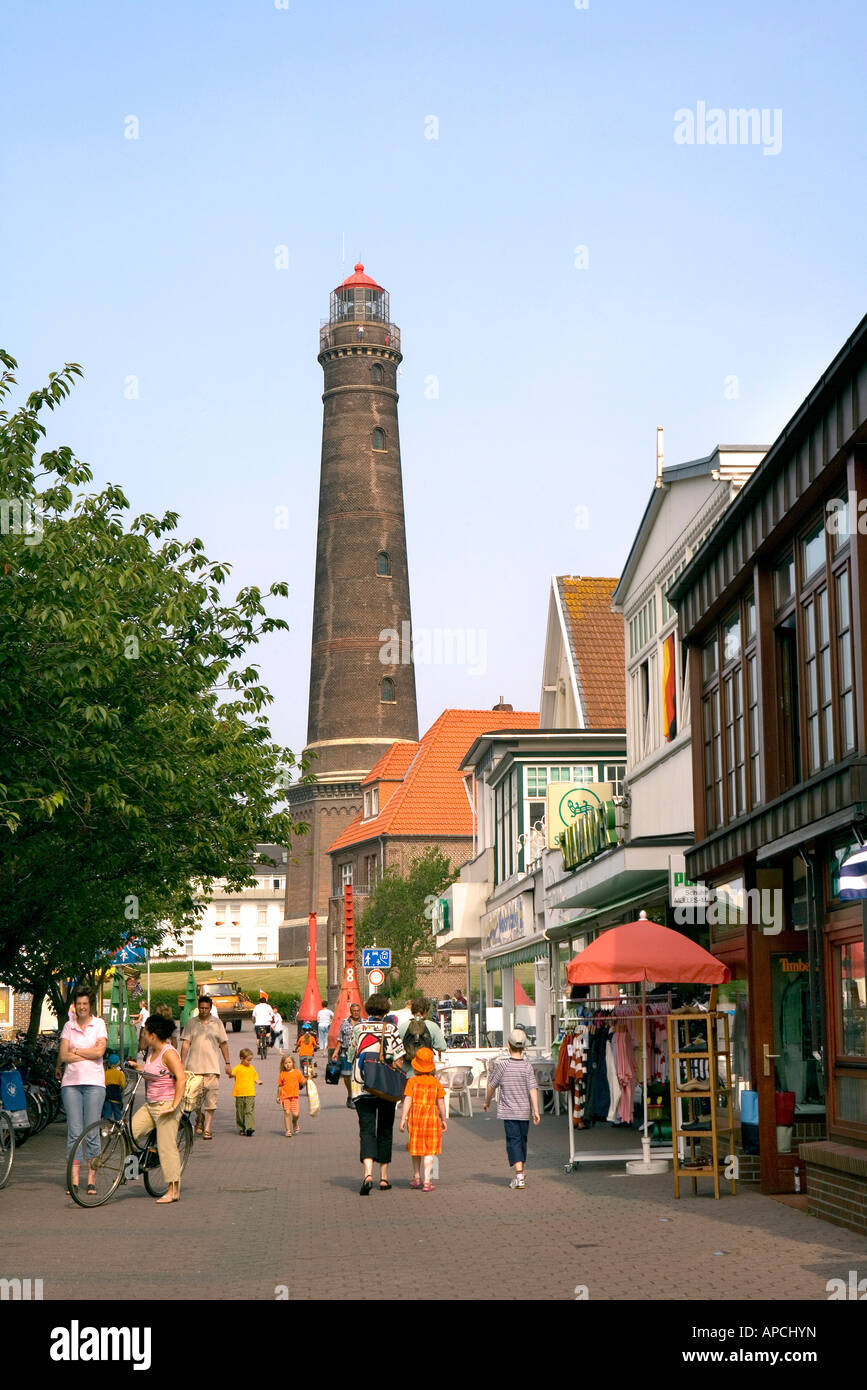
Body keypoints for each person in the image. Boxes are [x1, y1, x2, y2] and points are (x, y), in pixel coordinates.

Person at [348, 993, 405, 1195]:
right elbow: (399, 1058)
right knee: (385, 1130)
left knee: (366, 1130)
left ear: (368, 1009)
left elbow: (350, 1054)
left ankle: (368, 1174)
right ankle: (383, 1178)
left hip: (362, 1086)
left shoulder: (358, 1028)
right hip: (384, 1086)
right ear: (386, 1010)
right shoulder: (390, 1029)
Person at [126, 1014, 186, 1204]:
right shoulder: (151, 1052)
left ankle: (173, 1190)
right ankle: (132, 1171)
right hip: (151, 1104)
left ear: (153, 1034)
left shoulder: (169, 1052)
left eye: (145, 1032)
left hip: (166, 1105)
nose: (143, 1035)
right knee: (128, 1133)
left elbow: (181, 1078)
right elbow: (155, 1075)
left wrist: (174, 1106)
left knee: (167, 1147)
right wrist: (138, 1067)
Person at [60, 985, 108, 1197]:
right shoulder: (68, 1026)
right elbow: (63, 1056)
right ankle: (74, 1179)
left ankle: (91, 1179)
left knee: (91, 1131)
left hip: (95, 1084)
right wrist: (89, 1054)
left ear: (90, 1005)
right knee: (74, 1132)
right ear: (75, 1005)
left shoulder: (99, 1024)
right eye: (78, 1004)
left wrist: (76, 1051)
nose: (81, 1007)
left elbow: (100, 1052)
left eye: (85, 1004)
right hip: (71, 1084)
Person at [483, 1028, 540, 1190]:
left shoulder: (503, 1066)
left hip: (509, 1112)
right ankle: (520, 1170)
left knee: (513, 1141)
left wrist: (487, 1101)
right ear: (524, 1047)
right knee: (522, 1141)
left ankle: (519, 1176)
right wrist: (536, 1110)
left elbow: (491, 1086)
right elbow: (533, 1089)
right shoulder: (527, 1067)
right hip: (524, 1112)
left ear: (508, 1045)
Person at [180, 994, 232, 1140]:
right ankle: (199, 1117)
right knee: (193, 1100)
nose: (203, 1011)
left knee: (211, 1099)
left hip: (212, 1068)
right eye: (201, 1008)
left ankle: (208, 1128)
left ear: (210, 1008)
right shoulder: (191, 1023)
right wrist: (181, 1062)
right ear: (198, 1007)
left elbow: (223, 1044)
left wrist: (227, 1063)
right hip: (193, 1068)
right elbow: (185, 1044)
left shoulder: (217, 1023)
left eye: (206, 1008)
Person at [399, 1047, 447, 1191]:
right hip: (431, 1117)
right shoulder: (435, 1082)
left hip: (415, 1117)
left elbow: (407, 1100)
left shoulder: (412, 1082)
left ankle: (416, 1177)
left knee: (416, 1148)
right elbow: (441, 1102)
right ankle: (427, 1181)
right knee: (429, 1151)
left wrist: (403, 1118)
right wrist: (444, 1119)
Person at [398, 997, 447, 1077]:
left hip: (407, 1074)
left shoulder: (402, 1027)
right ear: (425, 1011)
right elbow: (442, 1047)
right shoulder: (432, 1026)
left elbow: (397, 1050)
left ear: (412, 1010)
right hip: (427, 1073)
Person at [332, 1001, 363, 1107]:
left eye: (358, 1011)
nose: (356, 1013)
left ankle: (355, 1097)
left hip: (359, 1053)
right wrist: (336, 1052)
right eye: (354, 1011)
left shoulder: (364, 1023)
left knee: (358, 1076)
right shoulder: (345, 1022)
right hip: (346, 1052)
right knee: (346, 1075)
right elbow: (340, 1039)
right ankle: (350, 1094)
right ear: (350, 1012)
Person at [231, 1048, 262, 1135]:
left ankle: (249, 1128)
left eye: (250, 1060)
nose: (249, 1062)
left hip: (250, 1093)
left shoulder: (251, 1068)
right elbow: (232, 1075)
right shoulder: (237, 1068)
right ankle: (241, 1127)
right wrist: (229, 1073)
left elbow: (255, 1077)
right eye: (248, 1060)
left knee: (249, 1111)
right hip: (239, 1093)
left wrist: (257, 1081)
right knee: (240, 1111)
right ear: (241, 1058)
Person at [276, 1053, 306, 1136]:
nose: (288, 1064)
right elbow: (280, 1086)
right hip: (285, 1097)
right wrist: (278, 1097)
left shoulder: (297, 1072)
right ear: (283, 1065)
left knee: (296, 1114)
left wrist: (308, 1078)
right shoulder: (282, 1074)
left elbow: (302, 1082)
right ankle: (288, 1130)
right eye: (285, 1063)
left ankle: (294, 1123)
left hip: (294, 1097)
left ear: (293, 1063)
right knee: (287, 1113)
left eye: (289, 1062)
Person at [102, 1053, 126, 1122]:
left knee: (107, 1112)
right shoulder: (119, 1073)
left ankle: (106, 1126)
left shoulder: (106, 1073)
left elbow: (103, 1083)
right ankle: (118, 1124)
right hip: (116, 1095)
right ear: (118, 1063)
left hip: (107, 1095)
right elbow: (123, 1084)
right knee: (117, 1112)